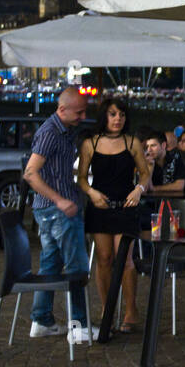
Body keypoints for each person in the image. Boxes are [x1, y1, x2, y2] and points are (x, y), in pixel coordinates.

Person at [21, 89, 94, 345]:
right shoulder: (51, 133)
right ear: (62, 110)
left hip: (50, 210)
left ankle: (42, 320)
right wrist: (60, 200)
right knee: (76, 267)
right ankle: (79, 326)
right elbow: (30, 173)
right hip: (58, 210)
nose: (83, 117)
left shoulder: (63, 131)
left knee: (51, 265)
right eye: (79, 112)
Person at [79, 99, 151, 334]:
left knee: (125, 260)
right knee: (104, 259)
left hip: (126, 206)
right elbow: (81, 178)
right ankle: (106, 309)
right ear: (104, 116)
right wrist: (91, 193)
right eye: (112, 114)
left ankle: (131, 310)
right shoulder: (90, 143)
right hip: (100, 207)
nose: (117, 118)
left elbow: (144, 173)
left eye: (121, 114)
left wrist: (138, 190)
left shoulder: (132, 142)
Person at [140, 127, 185, 198]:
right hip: (150, 202)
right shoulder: (145, 160)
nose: (149, 150)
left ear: (163, 145)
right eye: (147, 146)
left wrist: (154, 189)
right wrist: (150, 167)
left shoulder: (175, 157)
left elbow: (179, 186)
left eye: (153, 145)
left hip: (175, 201)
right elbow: (144, 189)